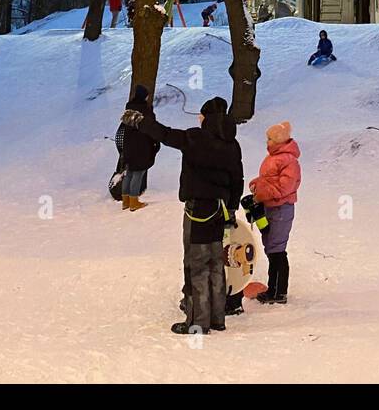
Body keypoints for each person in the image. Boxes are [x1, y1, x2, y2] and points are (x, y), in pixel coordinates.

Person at [126, 97, 244, 335]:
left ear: (208, 118)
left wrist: (139, 121)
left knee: (196, 265)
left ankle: (197, 322)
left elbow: (165, 135)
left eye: (201, 115)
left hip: (198, 211)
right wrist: (231, 209)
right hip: (219, 210)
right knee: (215, 263)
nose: (198, 119)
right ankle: (217, 318)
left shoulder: (196, 139)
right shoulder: (232, 145)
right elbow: (236, 179)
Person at [250, 121, 302, 304]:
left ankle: (279, 292)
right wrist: (257, 184)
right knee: (271, 246)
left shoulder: (289, 161)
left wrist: (262, 192)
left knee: (277, 249)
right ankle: (274, 289)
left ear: (279, 141)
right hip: (270, 206)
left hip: (281, 208)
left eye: (270, 139)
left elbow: (284, 187)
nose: (267, 142)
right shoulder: (273, 157)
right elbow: (268, 179)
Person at [115, 85, 160, 211]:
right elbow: (151, 128)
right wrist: (155, 142)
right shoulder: (145, 110)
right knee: (138, 173)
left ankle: (126, 201)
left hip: (128, 144)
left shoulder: (128, 109)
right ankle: (134, 201)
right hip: (142, 145)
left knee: (129, 172)